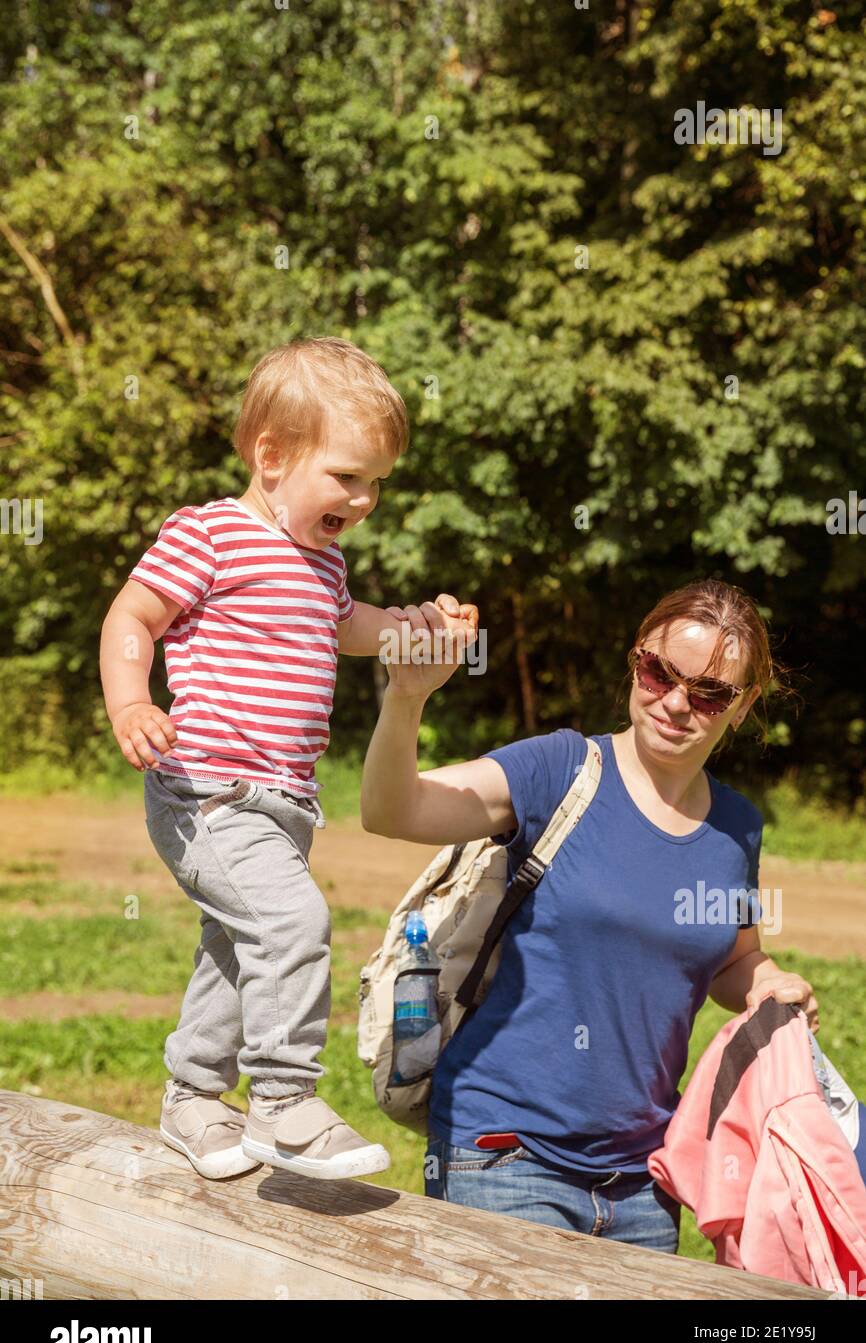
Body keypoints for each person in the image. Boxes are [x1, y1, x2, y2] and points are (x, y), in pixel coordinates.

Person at [99, 337, 478, 1182]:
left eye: (378, 481)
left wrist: (417, 626)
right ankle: (282, 1101)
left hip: (284, 802)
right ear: (272, 457)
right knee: (292, 923)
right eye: (348, 476)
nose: (366, 498)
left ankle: (193, 1098)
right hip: (208, 791)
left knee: (239, 949)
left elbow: (350, 627)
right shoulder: (212, 535)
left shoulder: (321, 561)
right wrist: (131, 701)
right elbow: (132, 617)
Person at [360, 579, 817, 1252]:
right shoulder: (561, 769)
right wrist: (407, 697)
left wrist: (769, 983)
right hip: (502, 1156)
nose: (675, 701)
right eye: (658, 671)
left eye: (709, 692)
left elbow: (734, 959)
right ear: (636, 659)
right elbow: (393, 811)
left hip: (643, 1184)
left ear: (743, 706)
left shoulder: (736, 828)